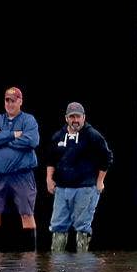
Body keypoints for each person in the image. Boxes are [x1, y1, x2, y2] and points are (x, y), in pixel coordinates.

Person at [46, 102, 113, 252]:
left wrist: (100, 181)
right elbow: (51, 159)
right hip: (62, 189)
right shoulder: (58, 136)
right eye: (72, 117)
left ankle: (83, 260)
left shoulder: (92, 135)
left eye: (78, 116)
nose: (75, 120)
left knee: (82, 226)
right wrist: (49, 179)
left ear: (84, 117)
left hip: (85, 188)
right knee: (58, 226)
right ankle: (58, 261)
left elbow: (107, 157)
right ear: (66, 118)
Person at [0, 87, 40, 250]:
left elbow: (32, 141)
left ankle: (29, 257)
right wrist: (13, 134)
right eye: (7, 100)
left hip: (22, 175)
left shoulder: (28, 120)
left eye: (13, 100)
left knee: (26, 213)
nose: (9, 103)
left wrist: (1, 137)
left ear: (20, 101)